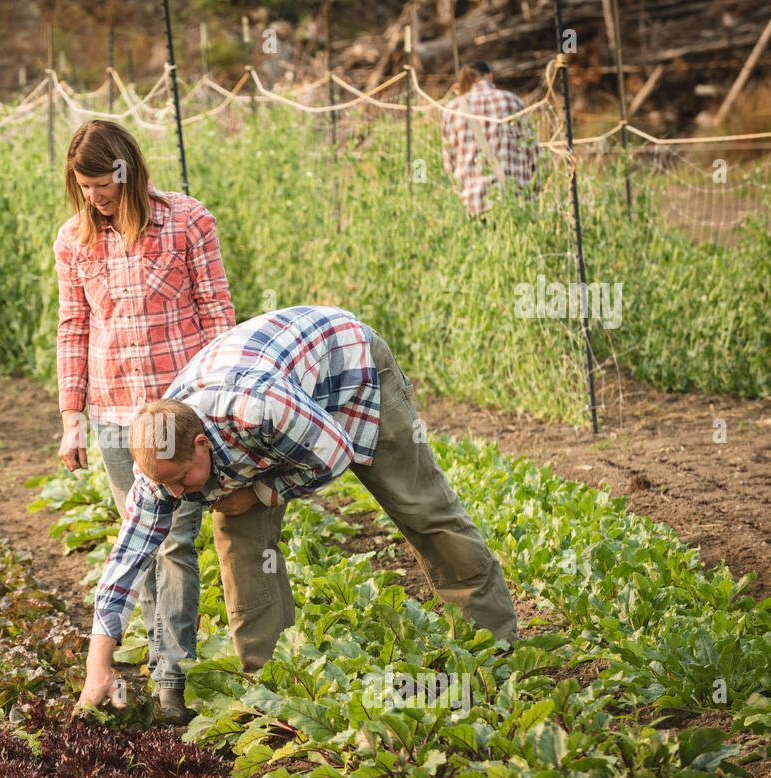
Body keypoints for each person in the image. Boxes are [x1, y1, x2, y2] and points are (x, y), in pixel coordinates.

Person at [77, 305, 521, 712]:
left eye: (179, 481)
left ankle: (493, 647)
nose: (173, 494)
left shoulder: (260, 411)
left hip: (351, 371)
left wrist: (258, 494)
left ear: (199, 445)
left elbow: (333, 453)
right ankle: (275, 682)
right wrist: (99, 662)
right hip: (277, 394)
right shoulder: (160, 469)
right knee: (240, 541)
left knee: (421, 507)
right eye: (163, 484)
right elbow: (128, 560)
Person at [53, 119, 236, 723]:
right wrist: (70, 419)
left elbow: (217, 312)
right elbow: (73, 328)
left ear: (126, 171)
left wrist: (220, 400)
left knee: (176, 542)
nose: (92, 198)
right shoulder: (74, 240)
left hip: (175, 414)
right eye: (82, 187)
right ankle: (160, 660)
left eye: (100, 185)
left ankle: (170, 681)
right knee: (141, 541)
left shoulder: (186, 221)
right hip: (112, 413)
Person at [441, 61, 540, 216]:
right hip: (514, 200)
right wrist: (536, 190)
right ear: (490, 76)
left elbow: (449, 161)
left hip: (471, 202)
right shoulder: (513, 101)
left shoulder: (454, 108)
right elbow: (533, 152)